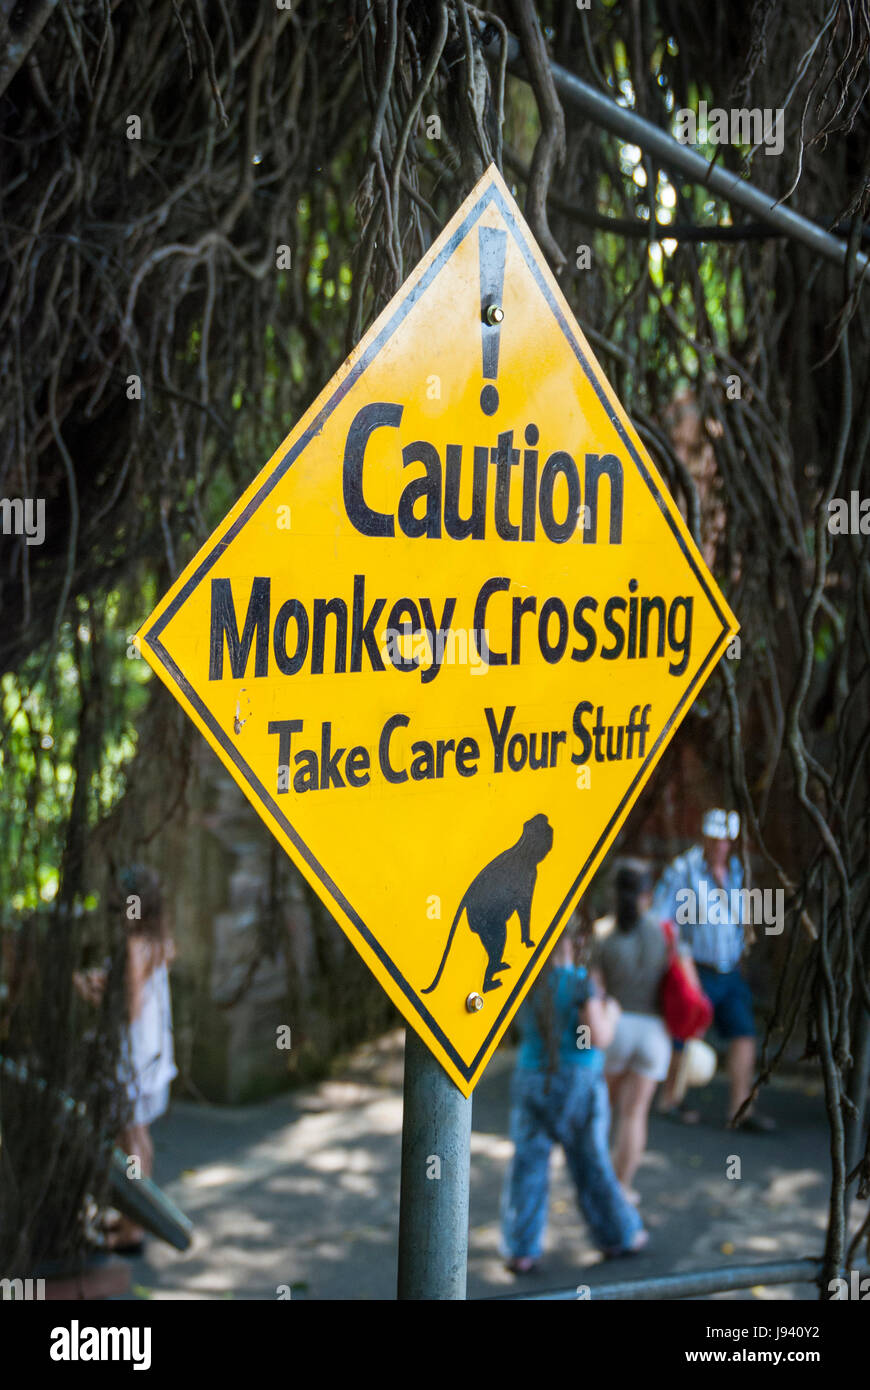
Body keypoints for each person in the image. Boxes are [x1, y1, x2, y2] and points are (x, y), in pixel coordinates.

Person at [500, 926, 648, 1274]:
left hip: (530, 1077)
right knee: (590, 1162)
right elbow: (597, 1035)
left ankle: (521, 1249)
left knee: (528, 1165)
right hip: (576, 1080)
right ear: (574, 941)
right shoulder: (581, 983)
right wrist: (610, 1010)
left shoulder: (522, 979)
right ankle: (619, 1234)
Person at [74, 865, 178, 1251]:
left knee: (133, 1141)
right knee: (136, 1137)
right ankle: (135, 1216)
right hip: (151, 1054)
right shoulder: (158, 941)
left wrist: (88, 990)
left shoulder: (136, 946)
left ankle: (134, 1228)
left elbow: (127, 1011)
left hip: (134, 1058)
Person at [653, 809, 774, 1132]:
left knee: (744, 1034)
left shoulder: (736, 871)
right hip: (697, 968)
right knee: (684, 1033)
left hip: (729, 971)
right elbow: (663, 920)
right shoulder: (683, 870)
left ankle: (740, 1111)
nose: (721, 846)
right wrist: (683, 965)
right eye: (716, 839)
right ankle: (670, 1100)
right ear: (705, 837)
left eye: (726, 840)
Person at [592, 859, 699, 1202]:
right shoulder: (666, 933)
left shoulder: (601, 934)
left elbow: (594, 992)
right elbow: (691, 989)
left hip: (614, 1027)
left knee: (603, 1112)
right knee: (634, 1114)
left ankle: (597, 1187)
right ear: (648, 895)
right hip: (654, 1033)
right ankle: (622, 1188)